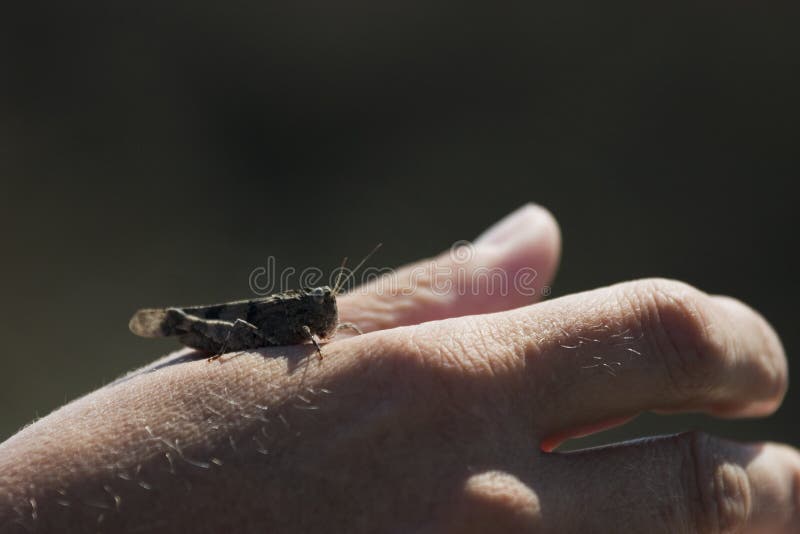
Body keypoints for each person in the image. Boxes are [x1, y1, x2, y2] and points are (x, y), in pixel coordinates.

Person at [0, 204, 795, 533]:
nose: (325, 312)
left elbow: (308, 340)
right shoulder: (288, 319)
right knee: (205, 324)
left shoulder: (314, 315)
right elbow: (270, 346)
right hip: (223, 336)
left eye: (324, 305)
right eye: (321, 302)